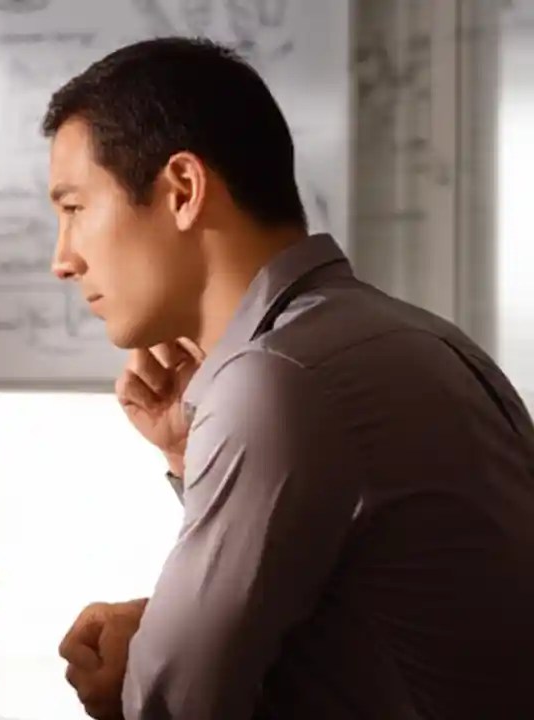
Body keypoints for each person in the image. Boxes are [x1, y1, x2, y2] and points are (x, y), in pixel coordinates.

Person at [45, 37, 534, 720]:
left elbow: (176, 706)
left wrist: (131, 674)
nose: (63, 259)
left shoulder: (278, 380)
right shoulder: (419, 338)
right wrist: (189, 454)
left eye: (74, 209)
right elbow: (336, 608)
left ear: (182, 190)